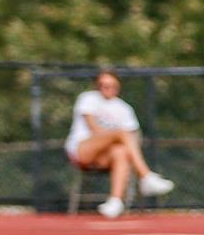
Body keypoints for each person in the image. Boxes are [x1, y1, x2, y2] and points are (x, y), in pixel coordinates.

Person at [65, 69, 174, 218]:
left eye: (112, 86)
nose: (108, 89)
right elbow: (95, 129)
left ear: (118, 86)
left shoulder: (124, 108)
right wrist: (118, 136)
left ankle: (115, 201)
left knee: (121, 151)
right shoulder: (88, 98)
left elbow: (133, 138)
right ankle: (146, 176)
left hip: (107, 157)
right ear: (98, 86)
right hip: (83, 150)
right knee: (122, 133)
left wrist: (122, 142)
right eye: (103, 85)